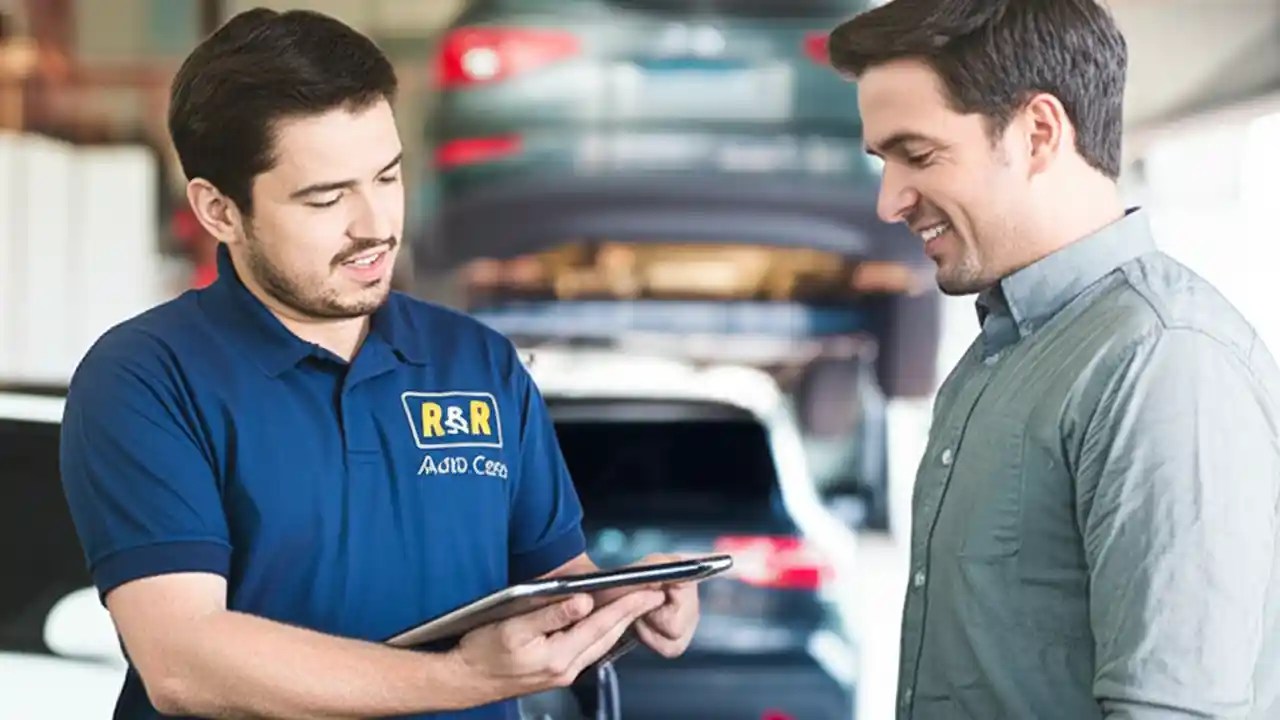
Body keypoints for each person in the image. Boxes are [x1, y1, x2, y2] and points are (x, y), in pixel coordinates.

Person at [58, 9, 699, 719]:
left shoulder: (475, 361)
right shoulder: (148, 378)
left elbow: (551, 581)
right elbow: (184, 662)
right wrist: (464, 680)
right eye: (326, 198)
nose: (374, 226)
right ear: (219, 211)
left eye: (387, 178)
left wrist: (621, 604)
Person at [827, 1, 1280, 718]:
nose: (890, 202)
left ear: (1039, 132)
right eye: (884, 162)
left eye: (918, 155)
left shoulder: (1161, 362)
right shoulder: (1000, 356)